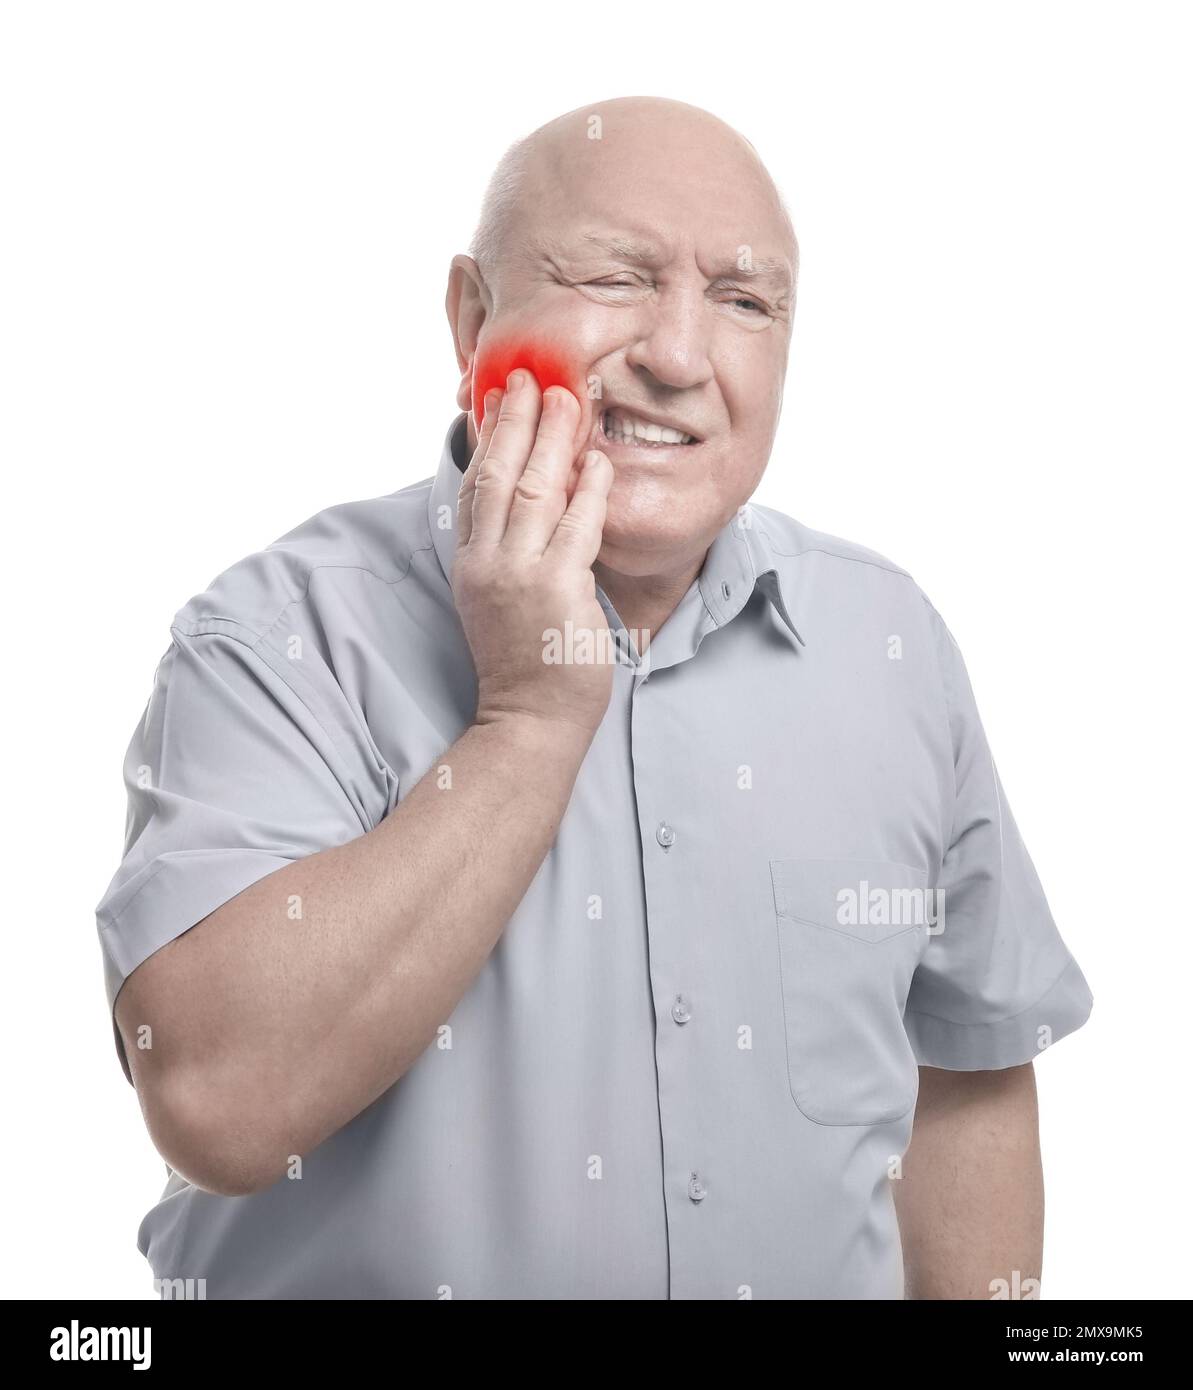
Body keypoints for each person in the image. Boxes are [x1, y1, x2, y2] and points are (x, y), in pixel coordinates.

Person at [95, 95, 1093, 1300]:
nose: (678, 358)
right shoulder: (274, 640)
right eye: (616, 278)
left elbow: (965, 1074)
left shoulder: (888, 641)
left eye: (742, 301)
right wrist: (529, 717)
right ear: (472, 319)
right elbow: (217, 1106)